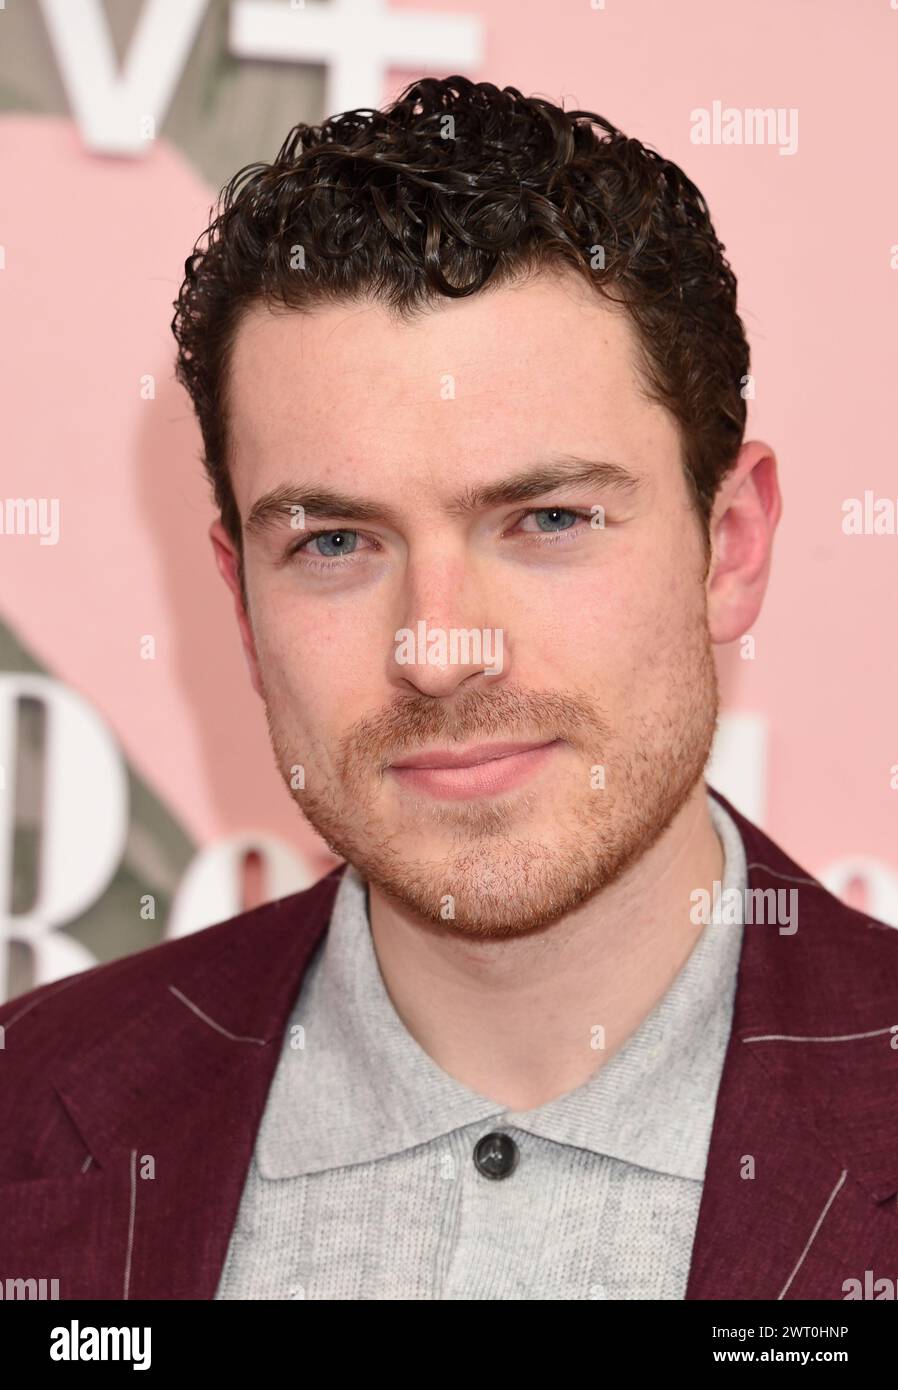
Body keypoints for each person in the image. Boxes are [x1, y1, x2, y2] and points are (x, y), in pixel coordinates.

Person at [2, 76, 896, 1302]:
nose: (438, 649)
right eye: (334, 544)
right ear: (240, 600)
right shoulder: (28, 1114)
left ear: (729, 544)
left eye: (545, 519)